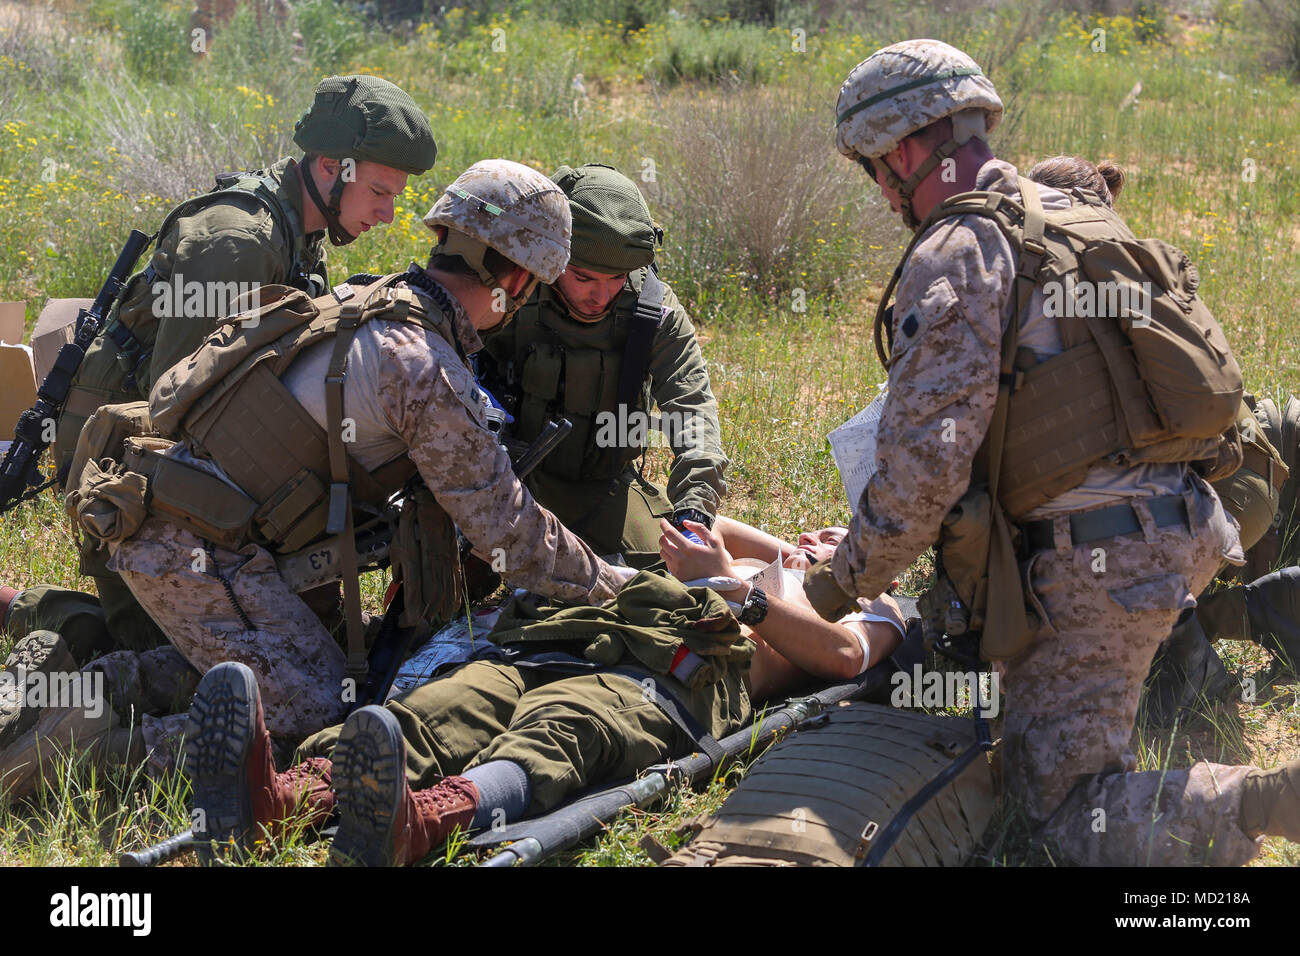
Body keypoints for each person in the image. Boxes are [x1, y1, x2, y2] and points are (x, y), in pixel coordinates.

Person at [804, 39, 1299, 865]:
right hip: (1191, 524)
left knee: (1060, 813)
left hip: (1101, 561)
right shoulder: (1072, 212)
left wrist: (836, 584)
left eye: (875, 169)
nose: (884, 192)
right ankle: (1168, 670)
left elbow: (926, 469)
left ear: (900, 152)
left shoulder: (957, 251)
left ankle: (1267, 798)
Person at [0, 160, 632, 802]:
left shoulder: (370, 302)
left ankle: (76, 689)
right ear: (519, 279)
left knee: (270, 662)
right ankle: (76, 758)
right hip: (193, 551)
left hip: (177, 524)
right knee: (311, 713)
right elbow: (509, 532)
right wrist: (617, 587)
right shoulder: (421, 367)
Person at [1, 74, 438, 679]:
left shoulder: (298, 231)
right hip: (120, 457)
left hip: (171, 439)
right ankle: (19, 610)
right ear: (335, 168)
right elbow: (171, 408)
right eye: (382, 192)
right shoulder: (239, 243)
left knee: (280, 635)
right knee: (175, 665)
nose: (389, 215)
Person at [180, 518, 903, 865]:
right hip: (560, 643)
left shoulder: (876, 606)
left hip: (668, 680)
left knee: (562, 732)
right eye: (821, 530)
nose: (820, 538)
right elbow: (707, 524)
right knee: (436, 711)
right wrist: (783, 549)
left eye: (843, 534)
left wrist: (744, 585)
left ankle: (422, 822)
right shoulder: (759, 559)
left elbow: (843, 660)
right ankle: (283, 800)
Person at [1025, 155, 1299, 718]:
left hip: (1224, 488)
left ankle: (1222, 621)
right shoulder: (1136, 271)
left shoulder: (1047, 287)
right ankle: (1221, 615)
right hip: (1232, 486)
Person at [476, 163, 727, 557]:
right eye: (584, 278)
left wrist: (695, 509)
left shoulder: (653, 312)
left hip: (602, 488)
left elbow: (691, 411)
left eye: (616, 279)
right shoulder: (512, 294)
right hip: (506, 483)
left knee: (662, 573)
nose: (601, 295)